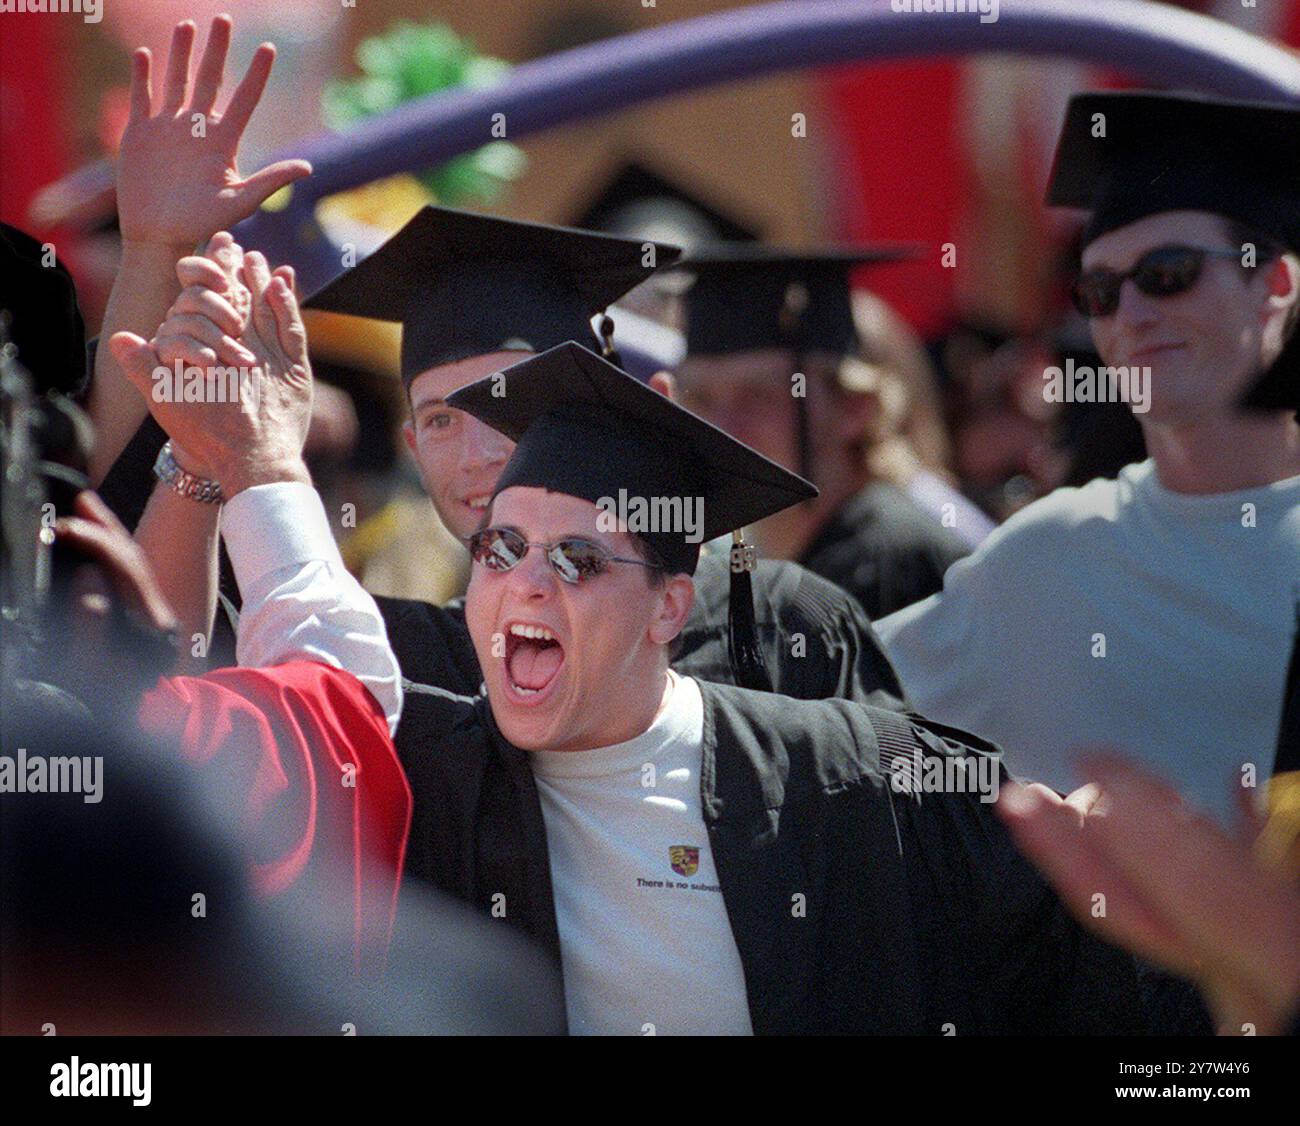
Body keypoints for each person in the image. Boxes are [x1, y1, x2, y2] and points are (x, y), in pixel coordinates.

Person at [875, 91, 1300, 824]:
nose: (1131, 314)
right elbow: (830, 730)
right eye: (1099, 291)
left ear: (1276, 283)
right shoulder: (1043, 560)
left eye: (1169, 273)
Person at [300, 204, 908, 707]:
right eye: (440, 419)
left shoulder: (787, 627)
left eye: (513, 399)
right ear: (412, 445)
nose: (478, 454)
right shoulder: (418, 667)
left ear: (621, 405)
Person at [672, 245, 972, 618]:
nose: (723, 427)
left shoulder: (893, 567)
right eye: (699, 398)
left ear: (853, 407)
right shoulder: (746, 562)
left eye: (758, 396)